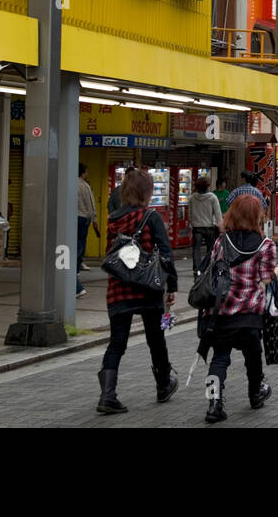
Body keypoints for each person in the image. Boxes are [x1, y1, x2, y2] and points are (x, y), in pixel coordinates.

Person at [202, 193, 278, 423]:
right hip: (249, 314)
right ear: (257, 217)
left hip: (221, 311)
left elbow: (212, 271)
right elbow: (267, 279)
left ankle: (214, 404)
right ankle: (255, 393)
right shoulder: (266, 245)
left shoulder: (221, 242)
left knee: (219, 358)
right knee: (253, 357)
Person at [96, 168, 179, 414]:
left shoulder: (113, 219)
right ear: (147, 192)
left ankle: (107, 395)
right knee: (156, 340)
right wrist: (171, 286)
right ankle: (163, 384)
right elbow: (165, 253)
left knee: (117, 343)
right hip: (147, 287)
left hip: (119, 288)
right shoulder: (150, 217)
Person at [187, 175, 222, 277]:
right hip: (209, 226)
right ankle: (207, 267)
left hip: (197, 227)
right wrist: (221, 227)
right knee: (210, 248)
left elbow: (190, 214)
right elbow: (218, 214)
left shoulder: (192, 197)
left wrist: (192, 224)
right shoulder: (212, 197)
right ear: (208, 186)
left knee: (196, 248)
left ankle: (196, 269)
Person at [76, 162, 96, 276]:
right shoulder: (84, 186)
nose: (87, 174)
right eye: (86, 171)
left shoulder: (69, 182)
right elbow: (90, 204)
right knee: (80, 243)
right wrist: (94, 219)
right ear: (83, 172)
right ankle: (76, 266)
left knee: (73, 242)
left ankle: (74, 265)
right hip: (83, 218)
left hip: (71, 218)